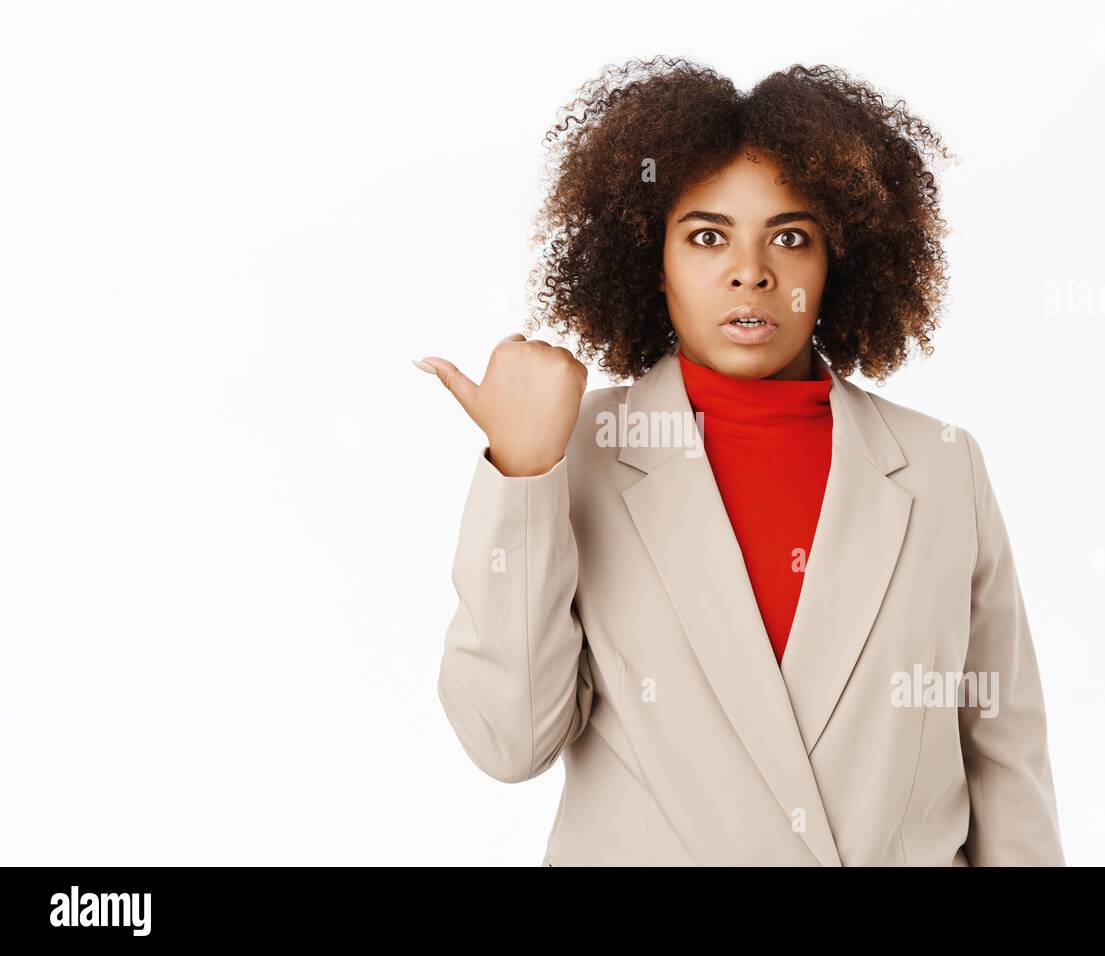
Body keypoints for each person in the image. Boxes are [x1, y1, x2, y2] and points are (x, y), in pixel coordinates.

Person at [415, 57, 1065, 866]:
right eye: (707, 236)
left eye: (790, 237)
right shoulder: (573, 455)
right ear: (651, 260)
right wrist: (521, 473)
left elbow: (1006, 761)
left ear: (841, 262)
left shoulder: (941, 467)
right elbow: (509, 741)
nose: (750, 271)